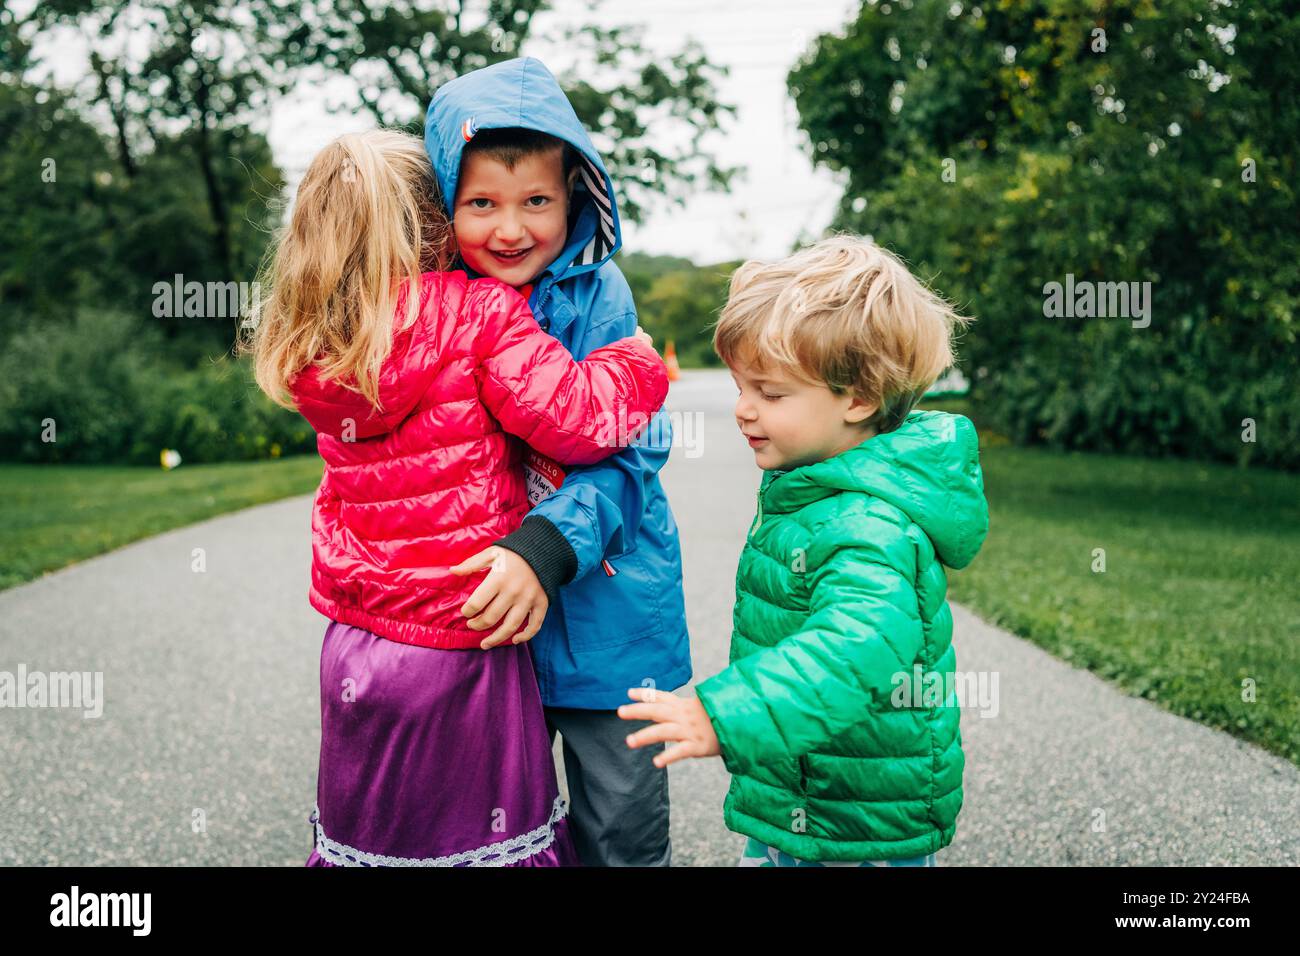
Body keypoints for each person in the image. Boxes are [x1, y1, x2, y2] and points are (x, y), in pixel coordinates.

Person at [243, 128, 669, 866]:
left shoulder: (317, 343)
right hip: (464, 630)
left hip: (359, 641)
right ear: (437, 224)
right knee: (488, 838)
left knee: (394, 837)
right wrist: (637, 365)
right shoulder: (474, 312)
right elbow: (580, 421)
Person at [620, 234, 989, 866]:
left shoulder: (869, 522)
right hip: (805, 797)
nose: (742, 410)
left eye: (771, 394)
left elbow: (856, 647)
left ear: (859, 399)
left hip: (854, 822)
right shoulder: (818, 488)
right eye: (741, 387)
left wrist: (726, 715)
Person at [424, 57, 691, 866]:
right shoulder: (430, 304)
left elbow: (628, 448)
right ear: (445, 206)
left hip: (609, 615)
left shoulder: (597, 295)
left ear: (575, 195)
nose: (511, 230)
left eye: (536, 200)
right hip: (482, 619)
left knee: (622, 824)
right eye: (481, 205)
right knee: (495, 824)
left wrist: (548, 545)